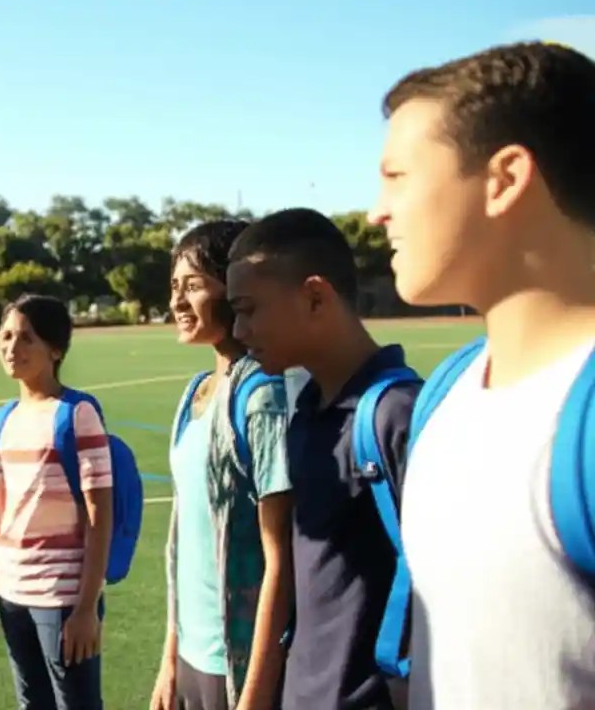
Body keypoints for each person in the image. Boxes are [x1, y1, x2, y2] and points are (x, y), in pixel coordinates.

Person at [368, 41, 595, 709]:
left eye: (396, 176)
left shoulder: (579, 421)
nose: (377, 210)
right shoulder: (445, 393)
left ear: (505, 178)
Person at [225, 208, 420, 710]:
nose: (239, 330)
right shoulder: (307, 412)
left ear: (315, 296)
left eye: (248, 309)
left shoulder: (398, 416)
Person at [150, 221, 294, 710]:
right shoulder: (195, 392)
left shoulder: (262, 398)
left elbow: (282, 559)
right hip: (192, 658)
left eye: (192, 285)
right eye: (174, 286)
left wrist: (252, 695)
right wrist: (170, 659)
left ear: (233, 289)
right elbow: (183, 542)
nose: (177, 301)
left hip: (235, 667)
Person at [0, 293, 113, 709]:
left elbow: (100, 516)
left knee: (76, 703)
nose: (13, 347)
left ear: (55, 348)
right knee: (32, 702)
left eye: (27, 338)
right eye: (7, 336)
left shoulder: (77, 413)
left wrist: (86, 608)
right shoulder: (1, 422)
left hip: (62, 594)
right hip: (11, 590)